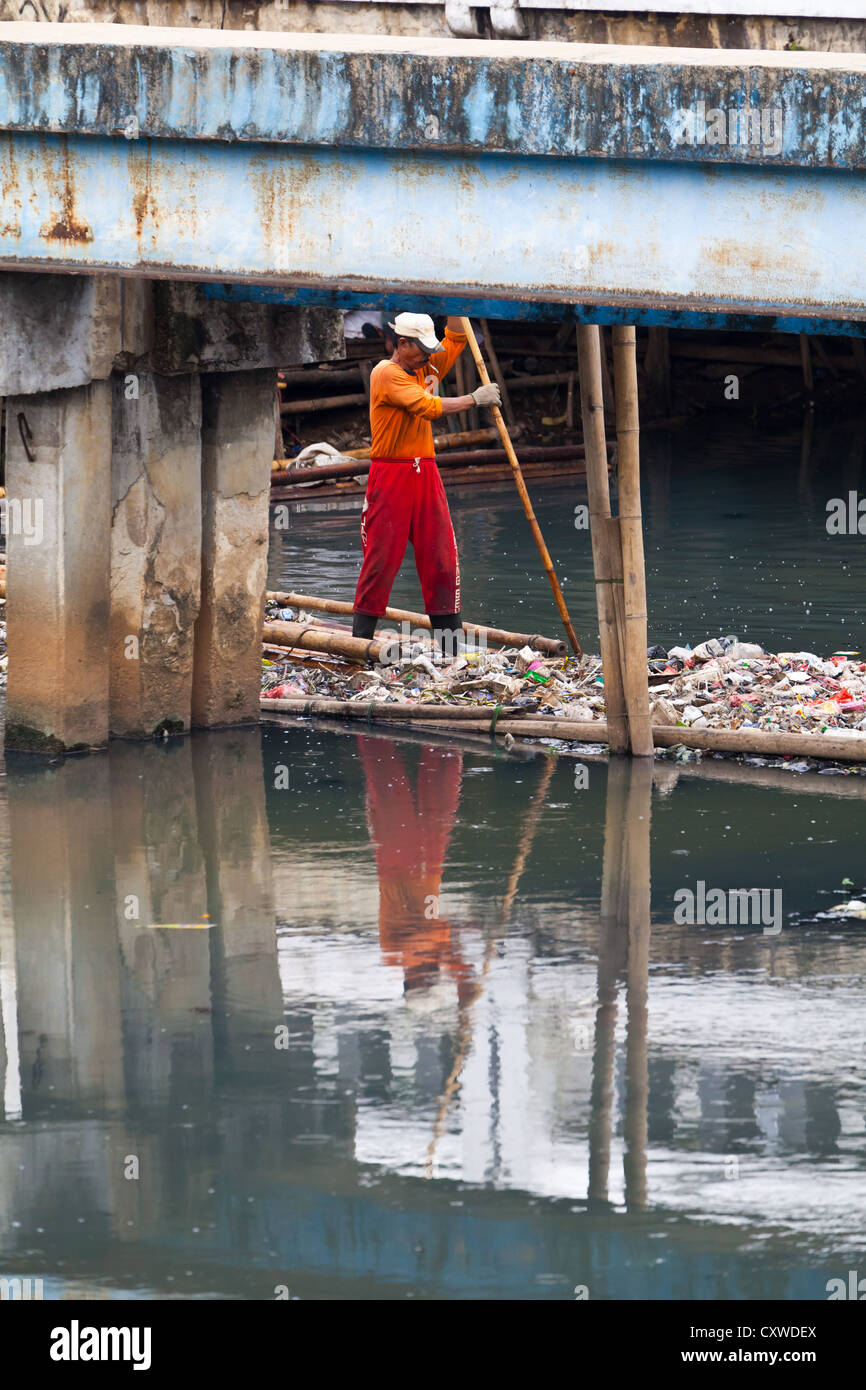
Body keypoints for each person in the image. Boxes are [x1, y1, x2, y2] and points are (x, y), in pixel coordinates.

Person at [351, 312, 500, 654]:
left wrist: (455, 297)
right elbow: (427, 407)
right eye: (421, 350)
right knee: (381, 559)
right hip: (391, 475)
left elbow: (457, 336)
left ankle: (450, 650)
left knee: (442, 559)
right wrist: (475, 399)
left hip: (426, 473)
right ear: (402, 344)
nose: (428, 356)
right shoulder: (385, 373)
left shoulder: (425, 365)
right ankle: (360, 646)